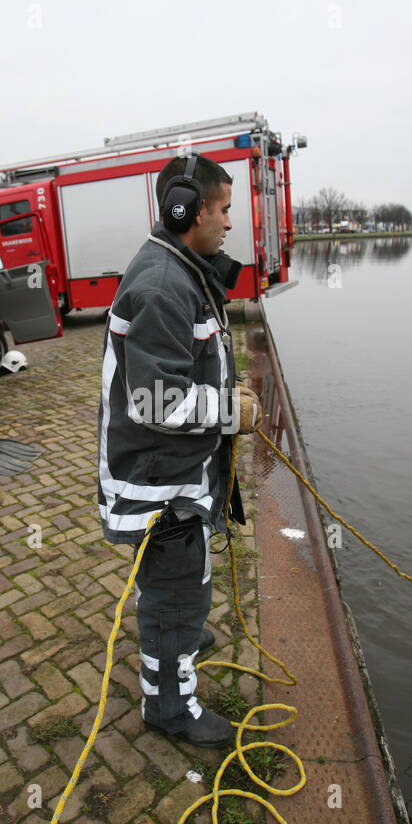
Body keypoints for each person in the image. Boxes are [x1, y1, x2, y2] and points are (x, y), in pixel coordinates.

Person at [96, 153, 263, 748]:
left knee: (183, 577)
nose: (228, 223)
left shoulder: (182, 266)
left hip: (176, 471)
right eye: (221, 210)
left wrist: (222, 394)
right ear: (186, 211)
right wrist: (230, 410)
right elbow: (153, 399)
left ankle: (182, 633)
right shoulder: (164, 284)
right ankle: (169, 704)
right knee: (173, 590)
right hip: (158, 482)